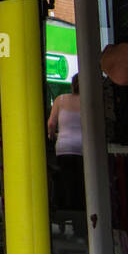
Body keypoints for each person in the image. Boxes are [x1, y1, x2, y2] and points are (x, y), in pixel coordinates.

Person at [47, 74, 85, 221]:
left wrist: (52, 136)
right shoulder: (87, 99)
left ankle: (65, 212)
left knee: (65, 180)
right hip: (82, 147)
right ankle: (79, 215)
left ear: (72, 84)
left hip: (64, 147)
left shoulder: (60, 100)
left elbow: (51, 124)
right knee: (80, 182)